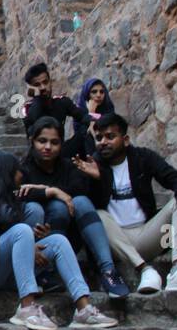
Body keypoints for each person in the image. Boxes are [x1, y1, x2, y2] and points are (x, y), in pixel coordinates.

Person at [0, 152, 117, 330]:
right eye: (17, 171)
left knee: (58, 241)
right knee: (22, 230)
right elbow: (5, 221)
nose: (22, 175)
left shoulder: (0, 191)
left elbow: (6, 229)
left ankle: (84, 309)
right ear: (5, 171)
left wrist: (44, 191)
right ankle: (27, 308)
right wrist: (29, 243)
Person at [91, 113, 177, 294]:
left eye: (110, 136)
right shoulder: (93, 164)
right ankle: (145, 270)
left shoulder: (142, 157)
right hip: (116, 243)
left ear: (125, 140)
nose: (103, 142)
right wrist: (95, 179)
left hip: (149, 236)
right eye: (99, 138)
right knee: (96, 215)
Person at [17, 117, 130, 298]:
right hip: (38, 238)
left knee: (80, 201)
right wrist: (52, 192)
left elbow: (80, 191)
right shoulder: (22, 169)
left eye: (54, 142)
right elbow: (17, 194)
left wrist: (96, 179)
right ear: (32, 141)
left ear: (61, 144)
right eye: (42, 141)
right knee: (41, 206)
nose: (48, 147)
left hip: (69, 235)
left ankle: (108, 271)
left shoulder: (68, 167)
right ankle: (44, 272)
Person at [22, 62, 89, 158]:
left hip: (61, 152)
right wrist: (37, 97)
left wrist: (88, 126)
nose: (43, 87)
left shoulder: (62, 102)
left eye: (45, 82)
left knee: (87, 134)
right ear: (31, 88)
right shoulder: (27, 108)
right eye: (37, 85)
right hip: (41, 155)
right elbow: (31, 128)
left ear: (50, 82)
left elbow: (83, 116)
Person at [73, 77, 114, 154]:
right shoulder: (79, 112)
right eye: (94, 92)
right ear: (87, 94)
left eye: (102, 92)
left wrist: (92, 114)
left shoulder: (108, 110)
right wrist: (91, 114)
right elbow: (84, 135)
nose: (98, 95)